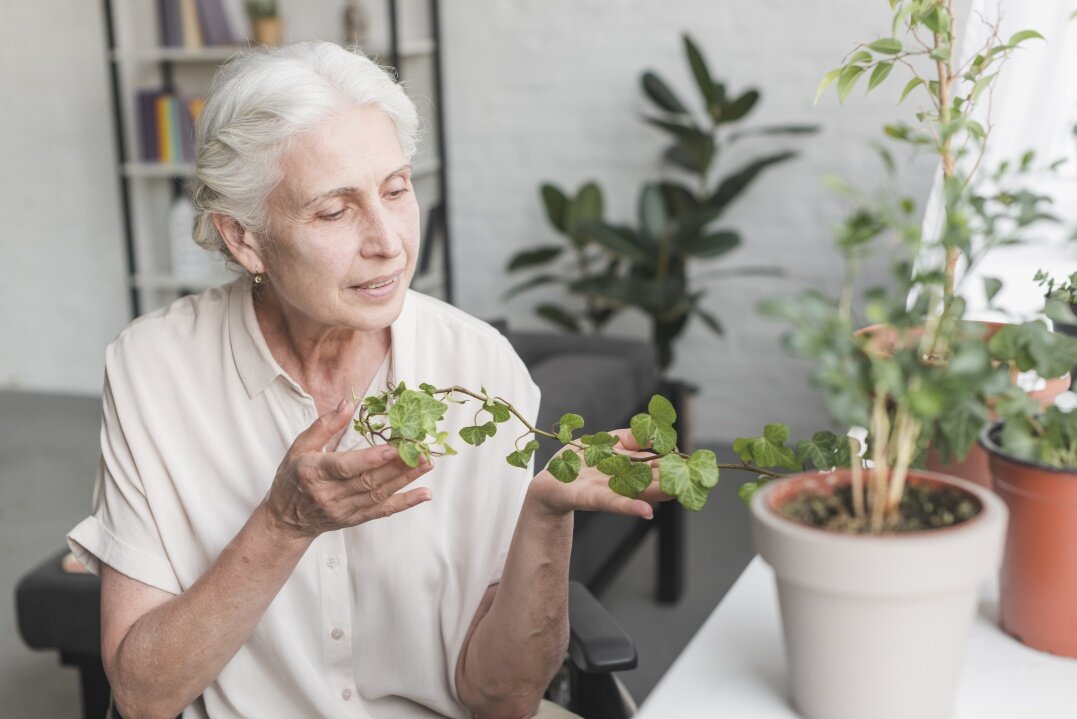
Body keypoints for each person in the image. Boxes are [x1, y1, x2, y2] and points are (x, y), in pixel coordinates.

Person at [68, 41, 667, 719]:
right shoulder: (153, 369)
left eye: (396, 189)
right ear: (243, 239)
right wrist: (283, 524)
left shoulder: (478, 365)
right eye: (333, 210)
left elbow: (502, 699)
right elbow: (144, 696)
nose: (388, 240)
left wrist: (546, 513)